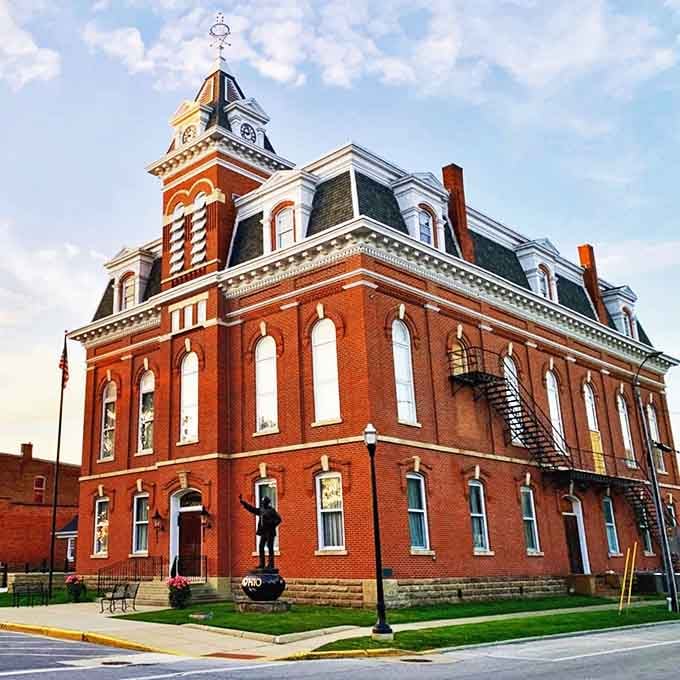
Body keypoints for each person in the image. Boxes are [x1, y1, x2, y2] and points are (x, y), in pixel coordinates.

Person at [239, 493, 282, 570]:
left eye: (264, 502)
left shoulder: (271, 510)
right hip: (263, 532)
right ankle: (262, 564)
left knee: (270, 547)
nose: (263, 503)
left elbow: (279, 520)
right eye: (262, 502)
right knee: (261, 546)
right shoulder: (261, 510)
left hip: (270, 532)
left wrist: (271, 523)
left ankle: (271, 565)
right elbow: (253, 509)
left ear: (267, 502)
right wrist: (244, 503)